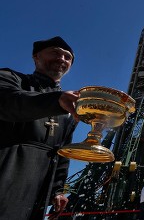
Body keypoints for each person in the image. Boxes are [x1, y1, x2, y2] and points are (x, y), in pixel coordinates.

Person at [0, 36, 80, 220]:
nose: (62, 59)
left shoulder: (68, 111)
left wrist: (57, 190)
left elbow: (62, 152)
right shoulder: (11, 79)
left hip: (35, 196)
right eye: (55, 52)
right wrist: (56, 101)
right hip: (6, 174)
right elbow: (11, 102)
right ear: (36, 57)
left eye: (67, 57)